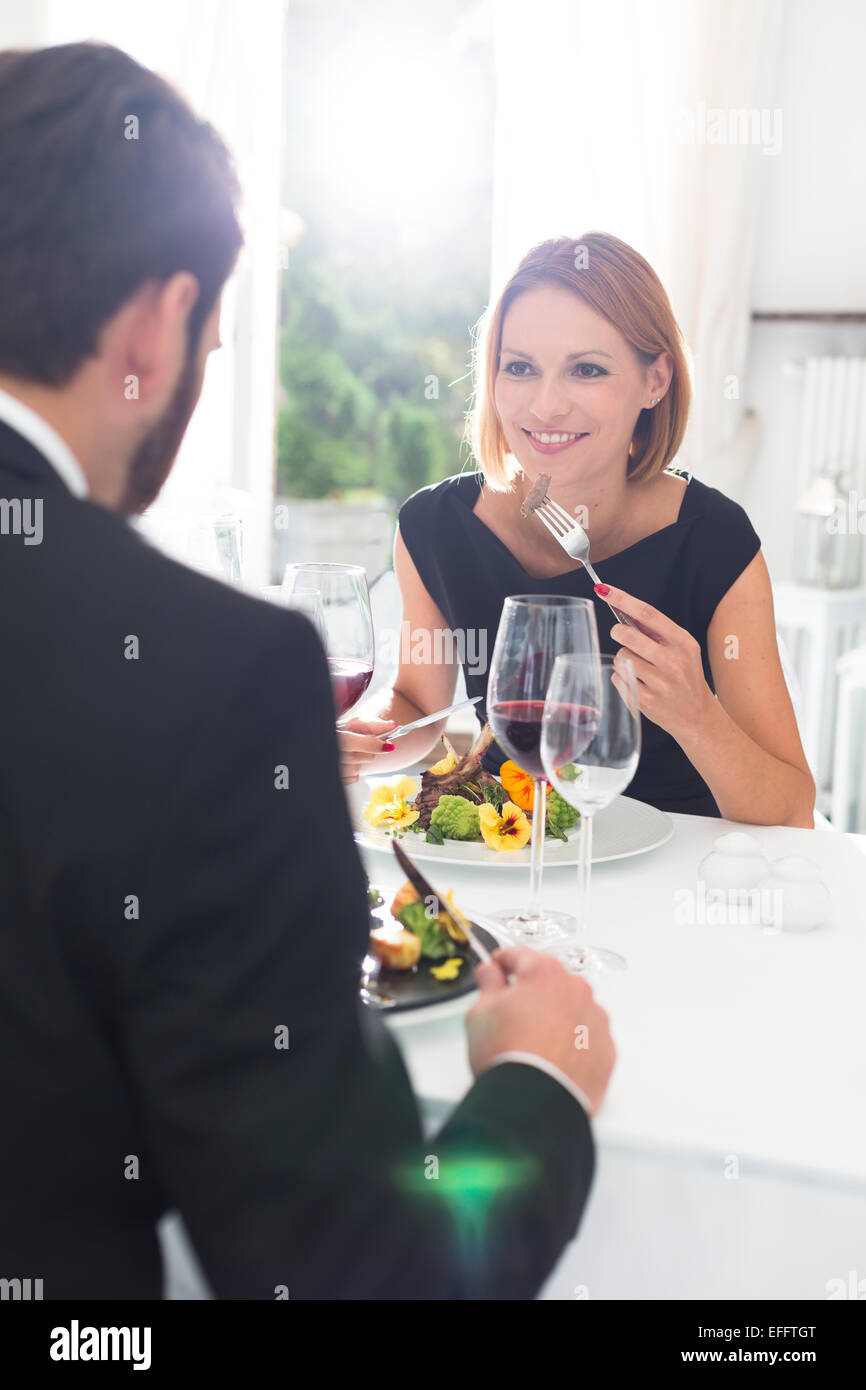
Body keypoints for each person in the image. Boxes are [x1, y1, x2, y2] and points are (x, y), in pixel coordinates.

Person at [0, 41, 615, 1300]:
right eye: (218, 341)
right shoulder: (209, 680)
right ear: (162, 317)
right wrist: (541, 1081)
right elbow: (358, 1279)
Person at [340, 233, 816, 827]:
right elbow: (419, 705)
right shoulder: (435, 528)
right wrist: (368, 739)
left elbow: (791, 811)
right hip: (516, 855)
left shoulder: (713, 541)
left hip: (678, 873)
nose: (545, 407)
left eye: (586, 370)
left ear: (655, 380)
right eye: (520, 368)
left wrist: (697, 715)